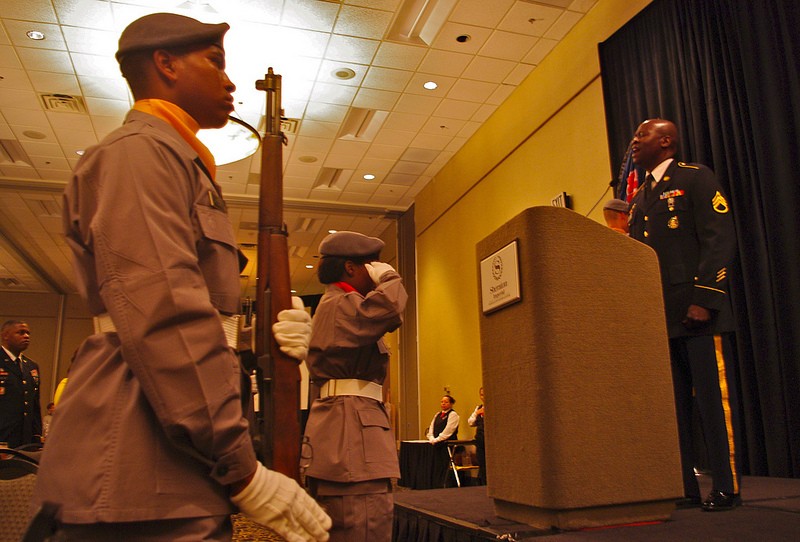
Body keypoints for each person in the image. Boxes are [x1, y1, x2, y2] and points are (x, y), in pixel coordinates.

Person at [33, 13, 330, 541]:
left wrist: (260, 339)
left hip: (171, 456)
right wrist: (241, 468)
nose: (230, 81)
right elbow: (164, 315)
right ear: (166, 64)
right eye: (215, 62)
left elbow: (178, 310)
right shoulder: (140, 154)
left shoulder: (176, 160)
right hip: (133, 458)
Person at [628, 118, 740, 512]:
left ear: (666, 141)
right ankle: (686, 487)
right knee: (674, 406)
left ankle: (726, 487)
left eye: (641, 135)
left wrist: (706, 297)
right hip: (660, 316)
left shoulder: (695, 178)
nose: (634, 142)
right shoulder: (641, 196)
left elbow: (719, 235)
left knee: (712, 401)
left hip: (696, 311)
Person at [302, 231, 408, 542]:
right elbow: (390, 308)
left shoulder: (342, 304)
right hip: (352, 438)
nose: (374, 273)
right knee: (364, 526)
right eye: (370, 266)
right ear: (351, 268)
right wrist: (389, 275)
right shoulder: (340, 303)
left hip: (349, 430)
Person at [0, 320, 42, 448]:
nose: (26, 336)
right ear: (5, 335)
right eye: (21, 332)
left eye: (28, 333)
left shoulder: (31, 366)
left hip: (24, 440)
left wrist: (36, 436)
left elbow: (34, 405)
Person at [467, 387, 486, 485]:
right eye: (481, 394)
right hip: (480, 438)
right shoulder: (478, 408)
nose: (483, 396)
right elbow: (470, 422)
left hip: (490, 439)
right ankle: (482, 483)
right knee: (481, 462)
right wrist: (477, 414)